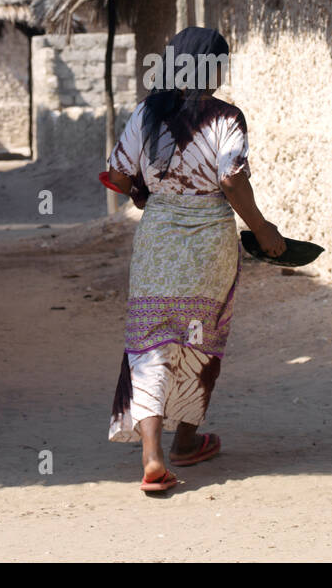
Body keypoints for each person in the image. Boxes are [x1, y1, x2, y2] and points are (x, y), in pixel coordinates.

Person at [105, 26, 285, 492]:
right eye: (222, 63)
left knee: (150, 342)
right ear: (210, 67)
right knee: (202, 338)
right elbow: (231, 179)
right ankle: (186, 440)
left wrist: (149, 190)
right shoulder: (227, 117)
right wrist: (261, 229)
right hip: (209, 243)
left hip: (158, 240)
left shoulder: (147, 112)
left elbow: (119, 176)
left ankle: (152, 456)